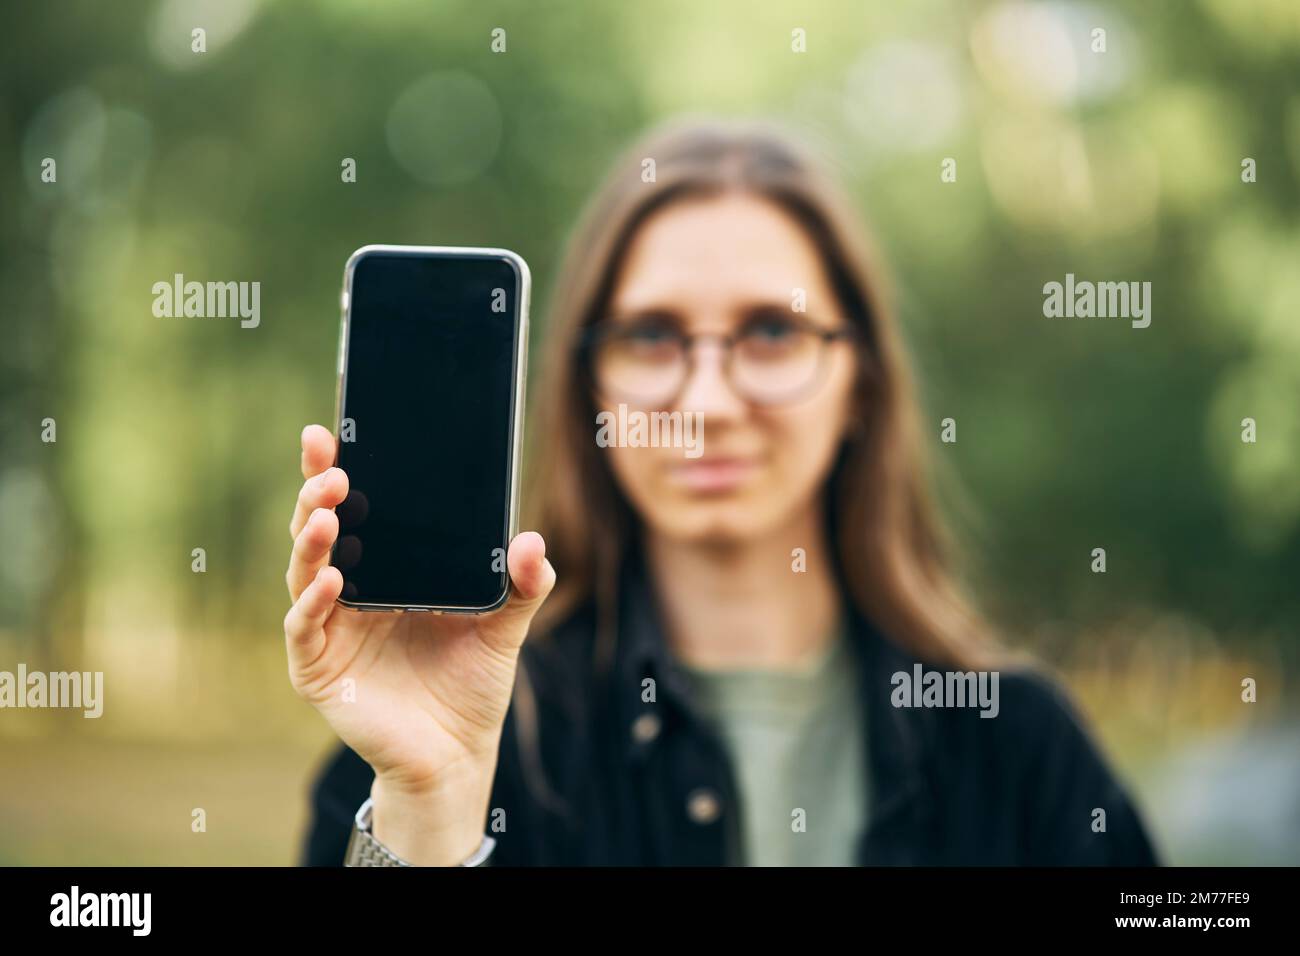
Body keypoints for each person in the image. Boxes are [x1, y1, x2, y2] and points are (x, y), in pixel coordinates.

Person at [284, 116, 1158, 866]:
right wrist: (431, 804)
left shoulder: (1016, 746)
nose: (705, 403)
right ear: (589, 387)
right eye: (652, 335)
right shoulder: (448, 736)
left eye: (771, 330)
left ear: (860, 384)